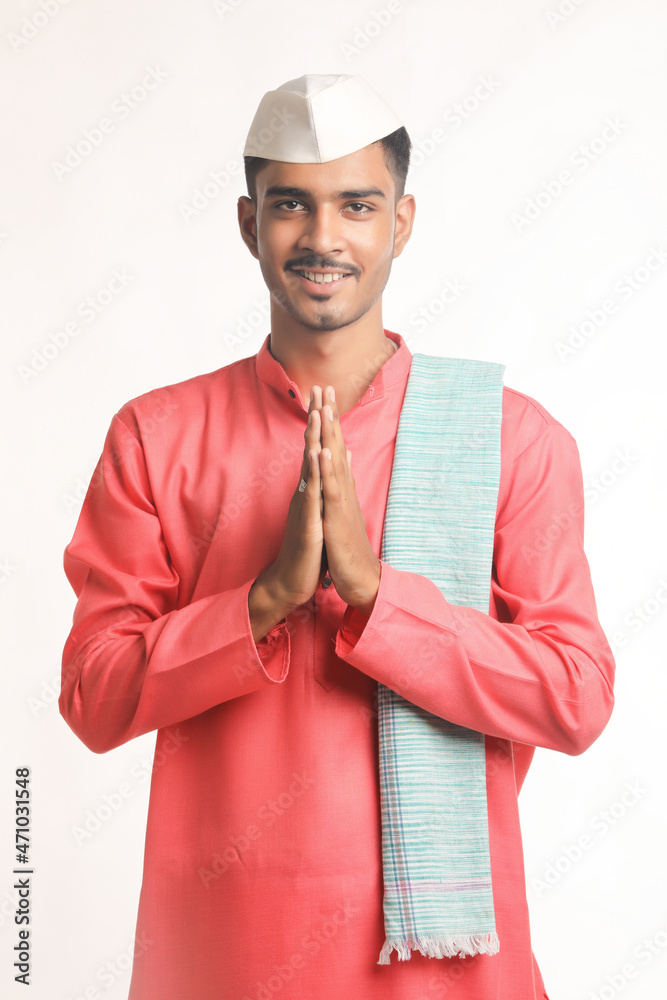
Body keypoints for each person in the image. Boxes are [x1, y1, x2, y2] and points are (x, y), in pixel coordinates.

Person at [60, 73, 615, 999]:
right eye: (291, 206)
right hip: (225, 955)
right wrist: (264, 599)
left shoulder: (507, 438)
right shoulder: (157, 437)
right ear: (249, 225)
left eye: (356, 206)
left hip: (452, 968)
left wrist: (378, 596)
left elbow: (577, 697)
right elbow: (93, 696)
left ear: (399, 224)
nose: (323, 238)